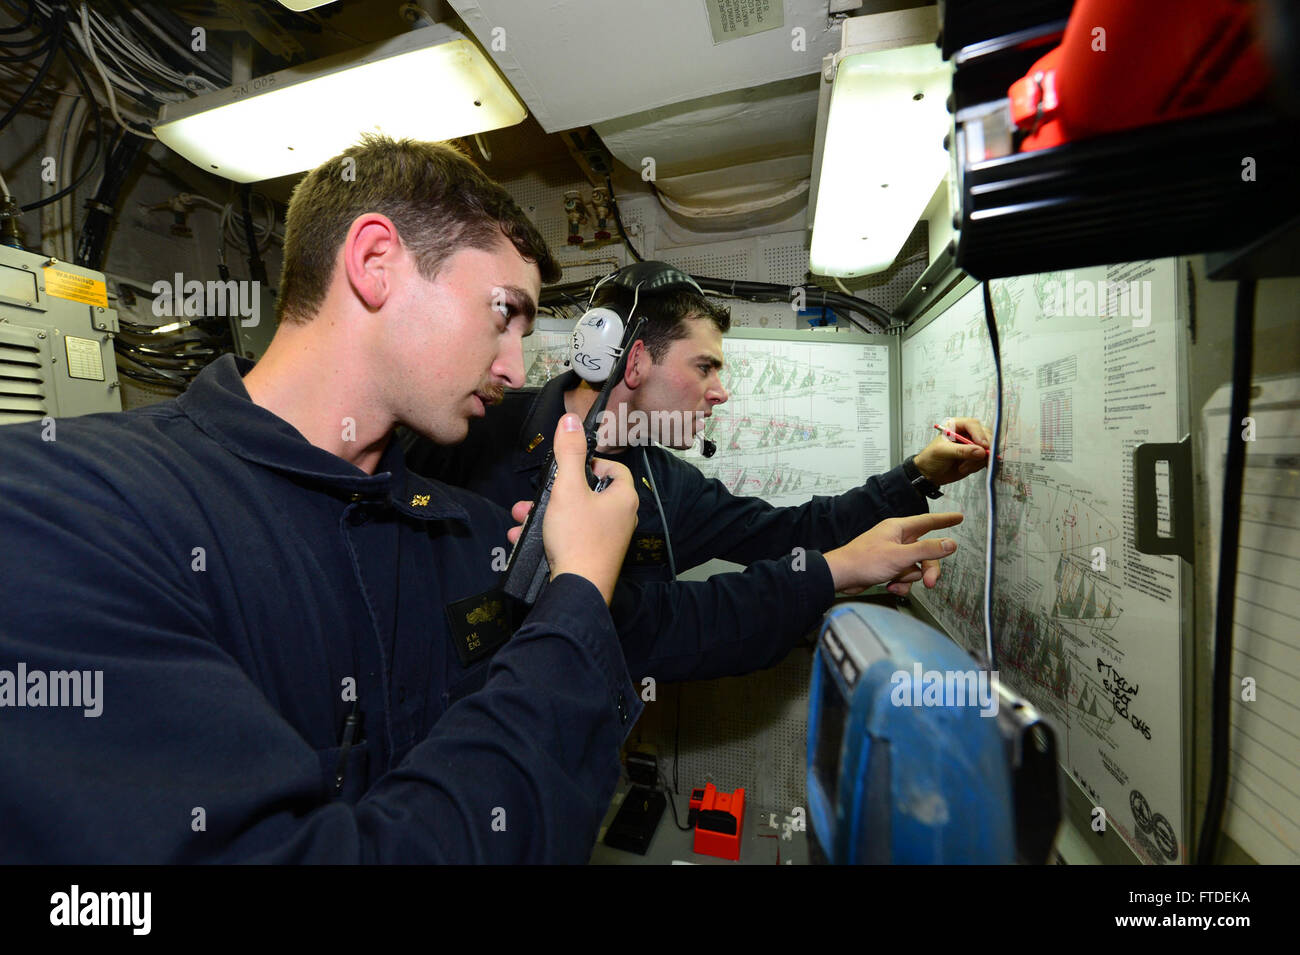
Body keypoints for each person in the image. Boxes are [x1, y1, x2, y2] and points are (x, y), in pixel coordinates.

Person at [0, 136, 960, 863]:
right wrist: (577, 591)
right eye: (504, 313)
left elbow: (652, 636)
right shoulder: (61, 507)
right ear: (375, 264)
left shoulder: (444, 529)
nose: (514, 365)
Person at [403, 264, 992, 595]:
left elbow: (796, 531)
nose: (720, 390)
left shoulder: (667, 488)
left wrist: (917, 475)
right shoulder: (475, 425)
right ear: (632, 362)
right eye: (704, 366)